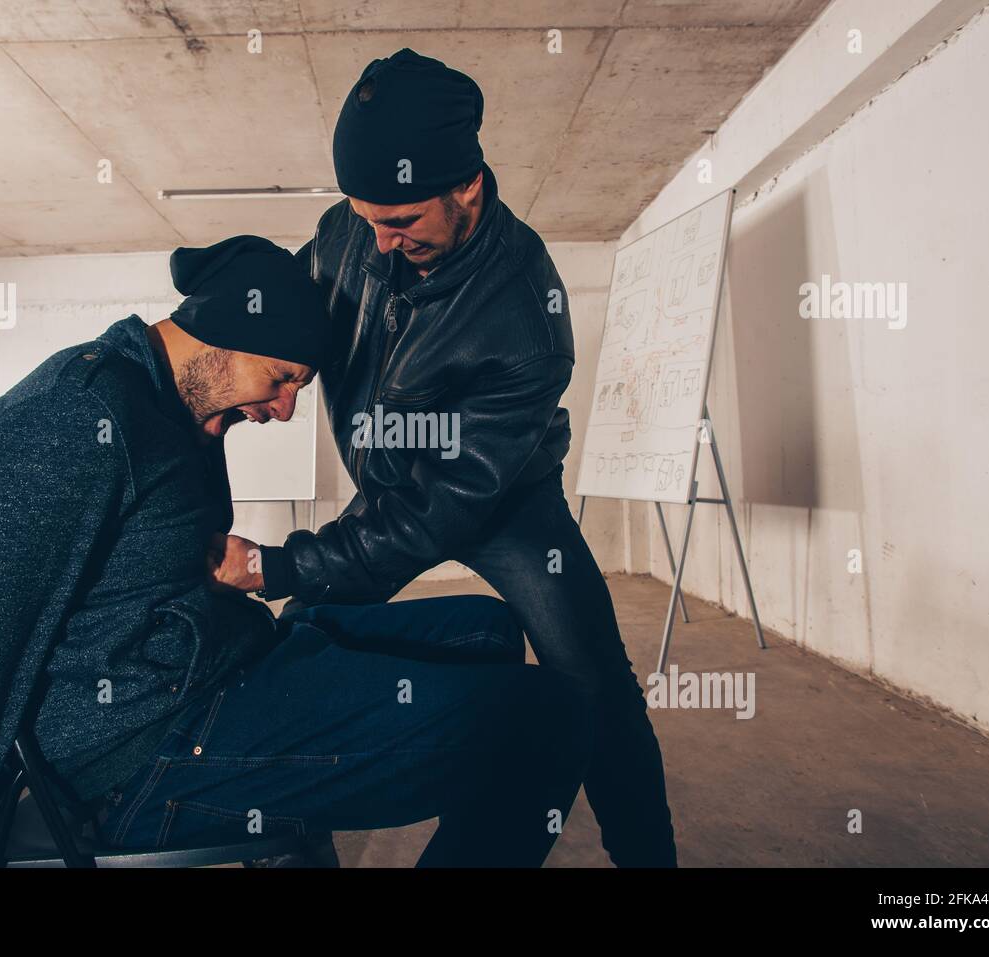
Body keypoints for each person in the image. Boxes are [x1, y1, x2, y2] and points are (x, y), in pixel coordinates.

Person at [0, 235, 591, 867]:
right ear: (224, 332)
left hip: (225, 660)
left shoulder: (183, 408)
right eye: (282, 378)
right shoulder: (74, 417)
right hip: (146, 745)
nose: (283, 408)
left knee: (487, 630)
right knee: (550, 718)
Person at [209, 49, 678, 867]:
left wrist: (277, 562)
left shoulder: (528, 315)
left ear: (468, 185)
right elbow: (277, 319)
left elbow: (438, 512)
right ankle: (280, 835)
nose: (381, 245)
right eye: (367, 219)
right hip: (390, 485)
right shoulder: (348, 233)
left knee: (594, 684)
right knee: (296, 642)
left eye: (402, 223)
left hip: (502, 503)